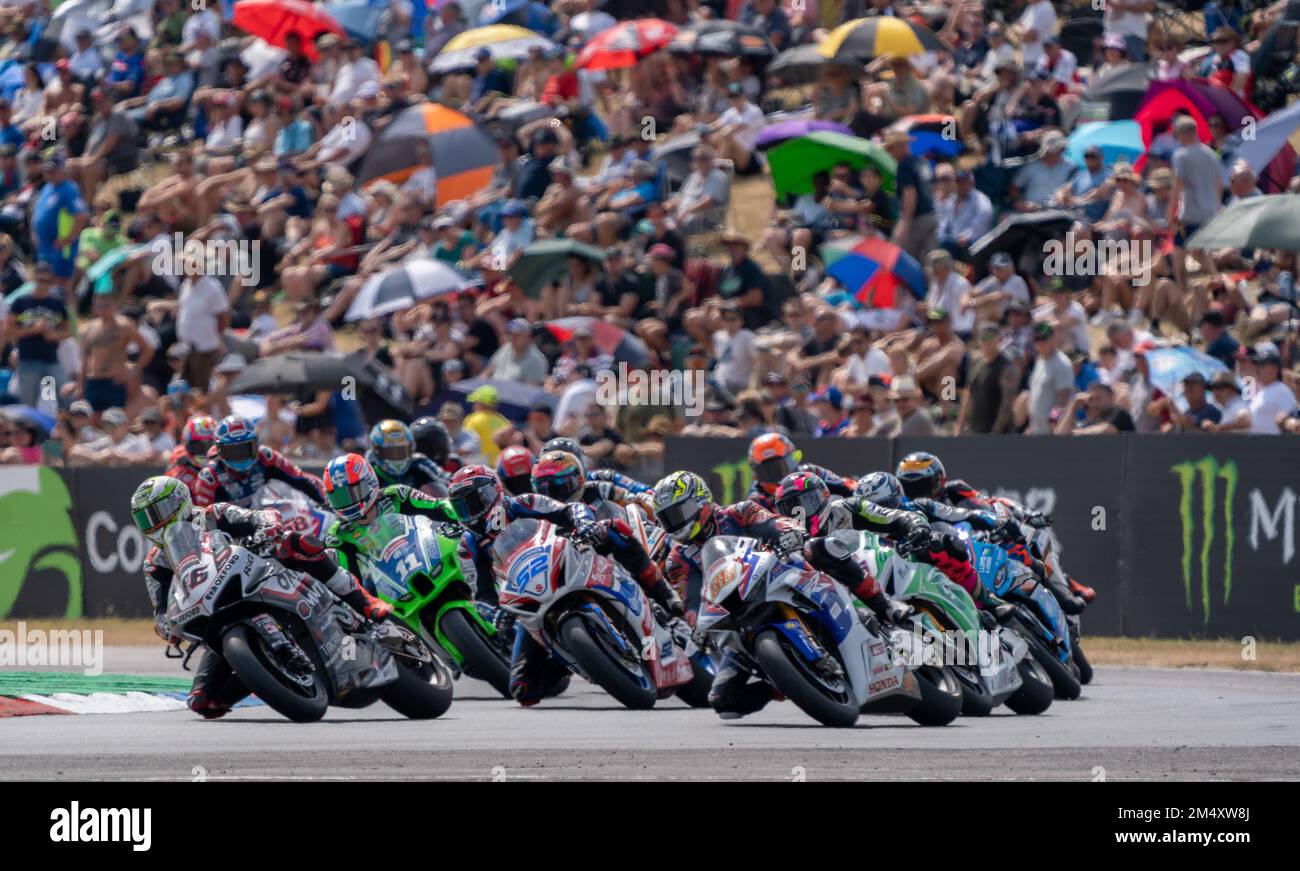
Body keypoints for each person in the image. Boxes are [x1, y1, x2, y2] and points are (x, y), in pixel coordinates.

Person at [131, 476, 391, 719]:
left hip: (257, 568)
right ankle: (268, 673)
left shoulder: (213, 514)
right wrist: (167, 627)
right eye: (145, 519)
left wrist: (267, 527)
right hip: (215, 608)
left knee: (299, 543)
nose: (154, 524)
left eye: (158, 513)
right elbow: (160, 609)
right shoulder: (154, 563)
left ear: (179, 502)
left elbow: (258, 516)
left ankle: (364, 602)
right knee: (204, 702)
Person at [447, 464, 681, 704]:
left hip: (570, 555)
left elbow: (571, 509)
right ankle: (572, 656)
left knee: (614, 530)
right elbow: (481, 594)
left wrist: (584, 523)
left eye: (476, 501)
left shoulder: (522, 503)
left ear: (495, 491)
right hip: (531, 595)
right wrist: (496, 616)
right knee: (523, 689)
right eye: (462, 507)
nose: (471, 512)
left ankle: (664, 594)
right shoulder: (468, 545)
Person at [193, 415, 327, 507]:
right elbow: (204, 518)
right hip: (233, 536)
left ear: (256, 445)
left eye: (246, 448)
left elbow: (301, 478)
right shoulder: (209, 477)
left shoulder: (266, 456)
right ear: (220, 450)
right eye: (233, 451)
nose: (241, 456)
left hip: (269, 522)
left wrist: (323, 503)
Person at [5, 261, 69, 408]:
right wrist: (31, 330)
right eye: (41, 280)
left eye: (48, 281)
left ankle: (62, 427)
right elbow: (8, 331)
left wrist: (53, 335)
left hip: (51, 360)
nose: (44, 284)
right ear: (34, 279)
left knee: (61, 395)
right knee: (28, 401)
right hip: (28, 360)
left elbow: (68, 331)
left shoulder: (57, 303)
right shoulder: (21, 302)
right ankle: (28, 429)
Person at [744, 431, 856, 511]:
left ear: (791, 459)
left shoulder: (811, 472)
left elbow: (848, 486)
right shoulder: (756, 499)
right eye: (765, 471)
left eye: (779, 467)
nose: (773, 475)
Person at [365, 419, 449, 494]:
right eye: (391, 452)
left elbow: (447, 480)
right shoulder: (366, 472)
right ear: (376, 451)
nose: (398, 457)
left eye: (402, 450)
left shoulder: (419, 462)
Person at [164, 414, 216, 498]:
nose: (205, 452)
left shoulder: (228, 465)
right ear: (187, 445)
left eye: (209, 445)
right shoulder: (178, 471)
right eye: (198, 446)